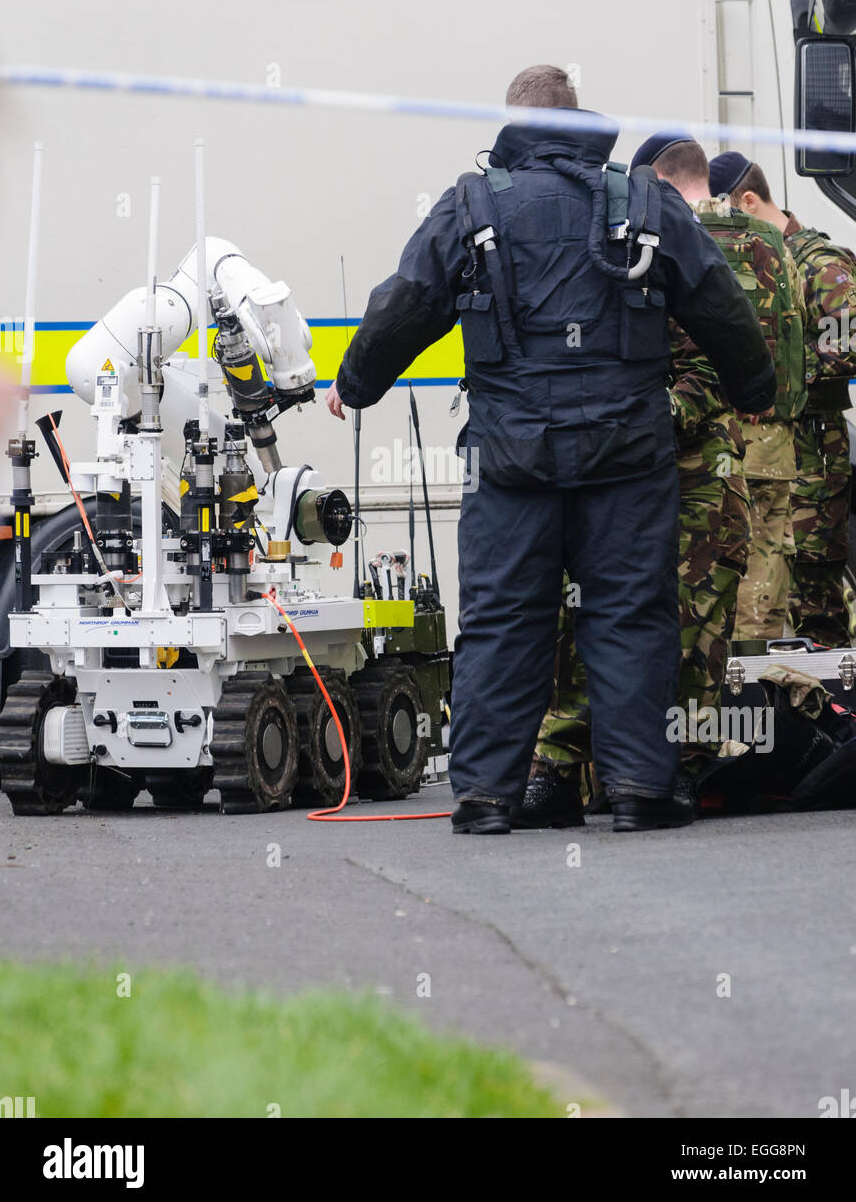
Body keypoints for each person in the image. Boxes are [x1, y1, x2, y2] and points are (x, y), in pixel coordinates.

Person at [326, 67, 774, 834]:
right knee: (632, 614)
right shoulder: (641, 199)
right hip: (628, 450)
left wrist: (356, 382)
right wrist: (753, 387)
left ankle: (484, 796)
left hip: (509, 456)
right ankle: (638, 788)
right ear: (579, 120)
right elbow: (718, 300)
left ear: (511, 122)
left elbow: (404, 301)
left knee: (503, 618)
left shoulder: (471, 203)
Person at [522, 134, 760, 829]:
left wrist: (641, 419)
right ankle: (560, 768)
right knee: (576, 617)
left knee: (688, 624)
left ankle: (671, 772)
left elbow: (718, 367)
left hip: (690, 476)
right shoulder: (586, 249)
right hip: (604, 475)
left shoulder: (685, 247)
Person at [709, 152, 856, 647]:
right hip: (765, 454)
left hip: (814, 458)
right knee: (754, 586)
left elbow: (849, 347)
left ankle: (828, 713)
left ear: (748, 200)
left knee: (814, 598)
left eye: (730, 209)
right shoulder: (754, 258)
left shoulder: (822, 263)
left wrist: (774, 378)